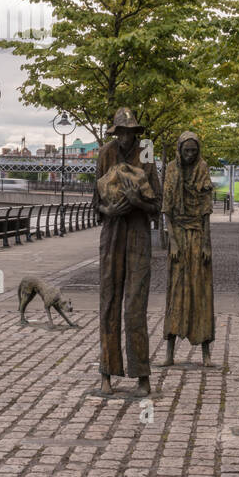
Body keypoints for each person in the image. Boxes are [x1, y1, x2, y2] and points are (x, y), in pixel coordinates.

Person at [93, 108, 162, 396]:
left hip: (137, 234)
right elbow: (95, 202)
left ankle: (142, 374)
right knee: (109, 302)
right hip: (112, 233)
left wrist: (138, 202)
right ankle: (107, 372)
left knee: (135, 306)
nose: (124, 137)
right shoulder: (105, 154)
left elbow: (158, 206)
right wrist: (108, 209)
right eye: (119, 132)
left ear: (136, 133)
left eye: (129, 132)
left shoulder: (146, 153)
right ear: (114, 133)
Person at [162, 130, 214, 366]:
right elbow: (167, 210)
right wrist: (172, 241)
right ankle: (169, 353)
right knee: (176, 292)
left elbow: (206, 211)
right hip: (179, 237)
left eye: (194, 151)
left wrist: (206, 244)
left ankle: (206, 354)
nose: (191, 155)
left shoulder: (202, 168)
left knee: (201, 292)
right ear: (179, 150)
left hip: (197, 235)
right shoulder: (172, 169)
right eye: (187, 151)